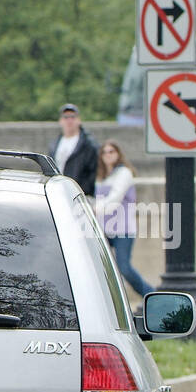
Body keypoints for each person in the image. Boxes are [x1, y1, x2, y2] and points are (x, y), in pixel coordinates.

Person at [94, 140, 155, 301]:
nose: (108, 155)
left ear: (118, 154)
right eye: (105, 152)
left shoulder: (124, 173)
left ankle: (151, 295)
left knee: (124, 268)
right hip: (103, 229)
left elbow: (115, 199)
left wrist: (95, 208)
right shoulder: (101, 176)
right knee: (101, 269)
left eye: (111, 151)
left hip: (122, 229)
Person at [47, 103, 99, 199]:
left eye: (72, 117)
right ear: (61, 121)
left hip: (79, 195)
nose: (69, 120)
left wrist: (81, 191)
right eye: (66, 117)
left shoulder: (88, 144)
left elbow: (92, 172)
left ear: (79, 120)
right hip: (58, 192)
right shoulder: (55, 144)